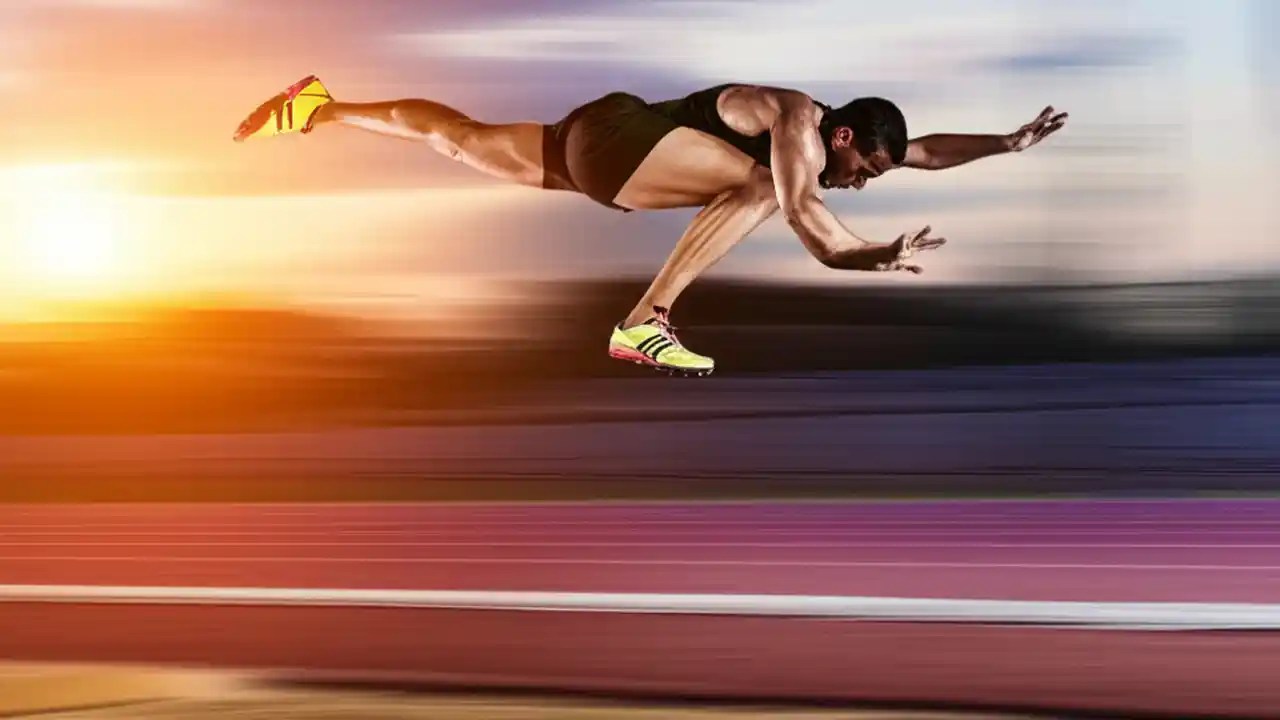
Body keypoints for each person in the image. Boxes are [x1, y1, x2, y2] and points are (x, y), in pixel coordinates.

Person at [234, 76, 1067, 376]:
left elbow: (923, 152)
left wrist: (1008, 142)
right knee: (760, 188)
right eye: (864, 171)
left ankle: (317, 106)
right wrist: (869, 255)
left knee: (460, 138)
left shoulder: (834, 135)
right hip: (631, 144)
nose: (861, 184)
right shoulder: (797, 132)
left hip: (608, 138)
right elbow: (811, 225)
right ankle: (645, 322)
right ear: (843, 138)